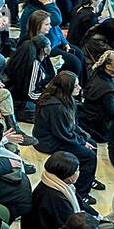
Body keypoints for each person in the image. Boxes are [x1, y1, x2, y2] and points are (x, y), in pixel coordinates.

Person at [32, 71, 100, 206]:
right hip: (49, 141)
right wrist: (82, 142)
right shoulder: (56, 107)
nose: (80, 88)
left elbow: (72, 125)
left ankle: (87, 178)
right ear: (67, 88)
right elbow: (63, 134)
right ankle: (81, 193)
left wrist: (84, 138)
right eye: (76, 86)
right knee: (89, 156)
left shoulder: (65, 100)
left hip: (60, 136)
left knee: (92, 143)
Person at [22, 151, 82, 229]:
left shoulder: (52, 181)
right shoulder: (56, 198)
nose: (78, 173)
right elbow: (68, 228)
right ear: (67, 175)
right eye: (76, 171)